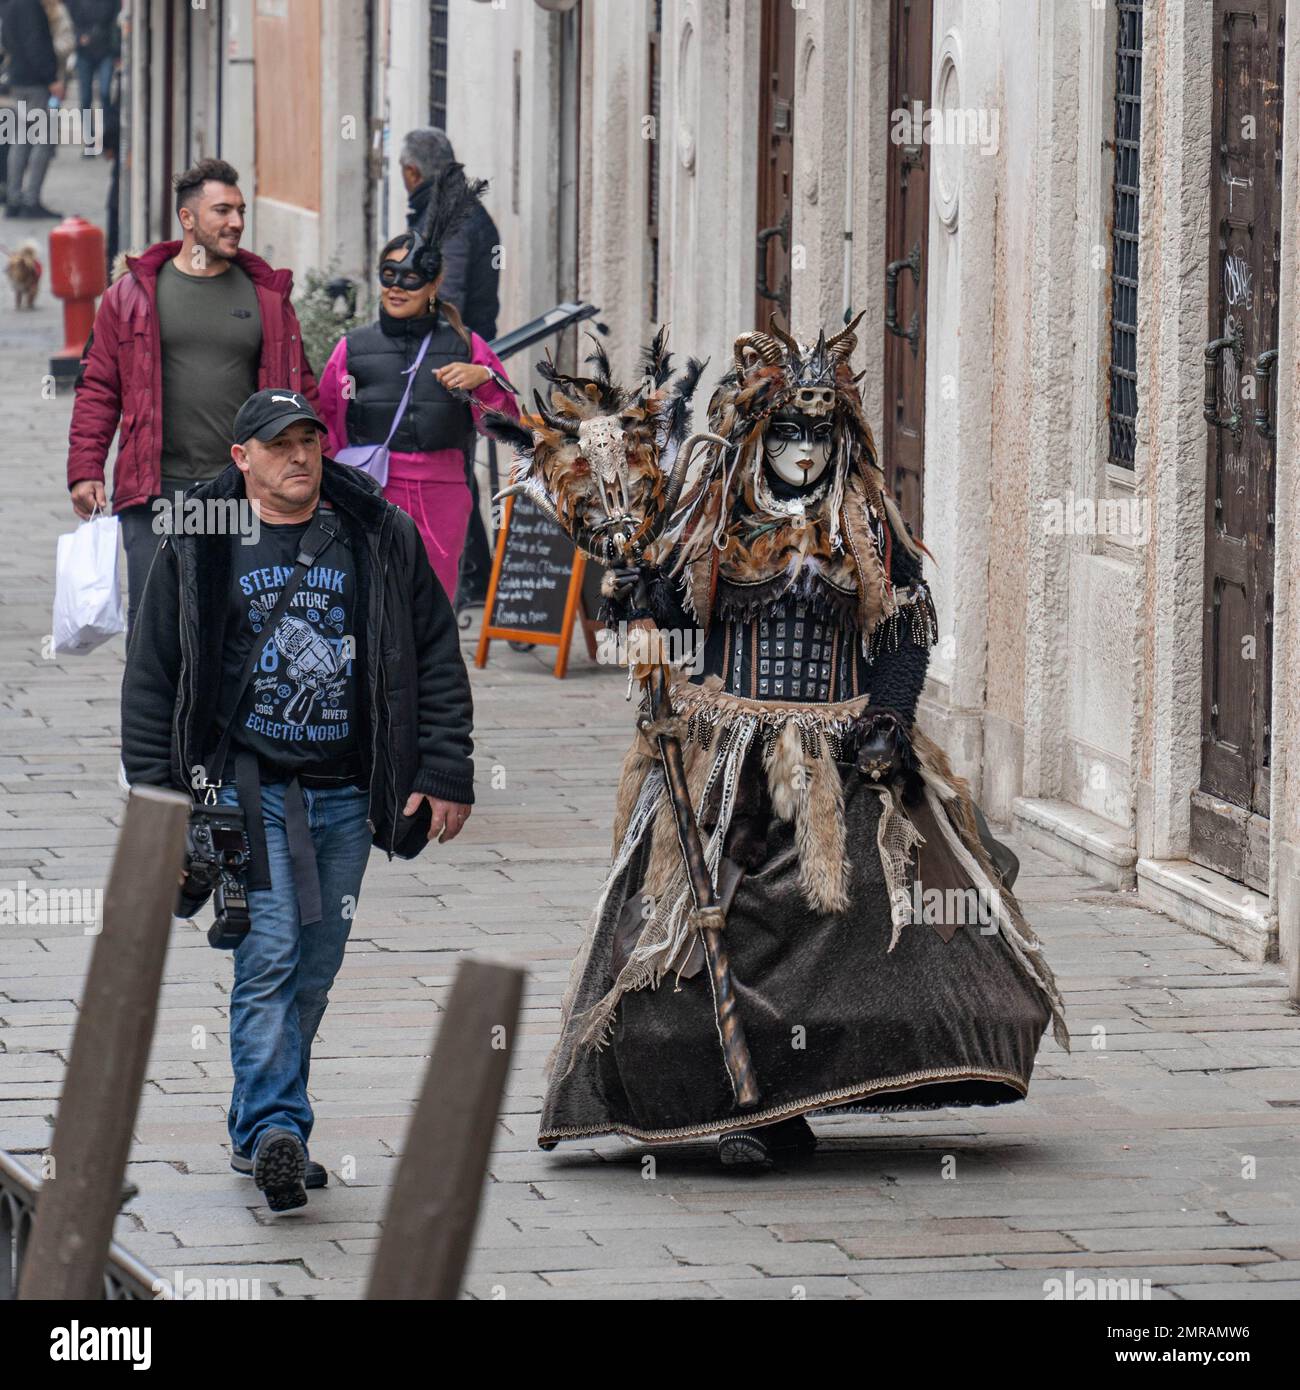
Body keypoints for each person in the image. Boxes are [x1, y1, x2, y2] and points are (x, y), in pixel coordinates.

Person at [486, 320, 1068, 1168]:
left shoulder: (869, 525)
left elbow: (904, 633)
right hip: (729, 757)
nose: (804, 449)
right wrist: (636, 601)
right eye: (789, 431)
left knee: (876, 917)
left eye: (820, 432)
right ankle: (736, 1102)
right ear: (760, 434)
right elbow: (677, 617)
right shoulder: (715, 521)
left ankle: (799, 1088)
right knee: (715, 919)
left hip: (848, 749)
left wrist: (889, 717)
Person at [121, 388, 476, 1213]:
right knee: (270, 951)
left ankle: (256, 1127)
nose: (300, 456)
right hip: (243, 791)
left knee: (314, 968)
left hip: (346, 791)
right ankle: (281, 1128)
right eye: (279, 445)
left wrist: (447, 769)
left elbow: (432, 649)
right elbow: (152, 676)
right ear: (242, 457)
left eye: (310, 441)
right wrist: (157, 802)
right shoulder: (200, 543)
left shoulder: (375, 532)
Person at [66, 157, 317, 629]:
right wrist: (85, 469)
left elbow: (301, 391)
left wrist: (320, 477)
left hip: (245, 494)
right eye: (222, 211)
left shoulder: (265, 297)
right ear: (187, 218)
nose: (237, 222)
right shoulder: (133, 296)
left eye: (241, 211)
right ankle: (157, 708)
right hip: (157, 493)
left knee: (243, 626)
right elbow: (99, 387)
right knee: (155, 630)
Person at [319, 164, 516, 598]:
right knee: (371, 602)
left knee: (430, 608)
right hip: (369, 490)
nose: (397, 288)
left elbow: (506, 425)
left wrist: (484, 379)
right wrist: (336, 488)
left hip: (442, 492)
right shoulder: (351, 349)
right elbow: (327, 423)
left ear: (434, 284)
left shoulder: (467, 347)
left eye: (411, 279)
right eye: (388, 276)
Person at [400, 127, 501, 606]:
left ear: (412, 172)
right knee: (456, 470)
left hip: (448, 363)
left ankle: (466, 579)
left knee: (451, 470)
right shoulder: (452, 210)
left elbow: (450, 295)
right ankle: (475, 576)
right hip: (450, 356)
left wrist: (424, 353)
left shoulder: (450, 221)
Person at [2, 0, 63, 218]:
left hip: (18, 78)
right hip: (35, 82)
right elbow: (35, 44)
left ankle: (14, 198)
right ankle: (30, 200)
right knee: (42, 142)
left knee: (21, 140)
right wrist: (51, 78)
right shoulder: (28, 6)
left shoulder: (8, 5)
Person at [65, 0, 116, 114]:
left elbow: (113, 20)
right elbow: (68, 20)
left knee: (105, 93)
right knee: (85, 97)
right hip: (84, 53)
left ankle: (108, 129)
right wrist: (78, 38)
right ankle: (88, 130)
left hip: (105, 50)